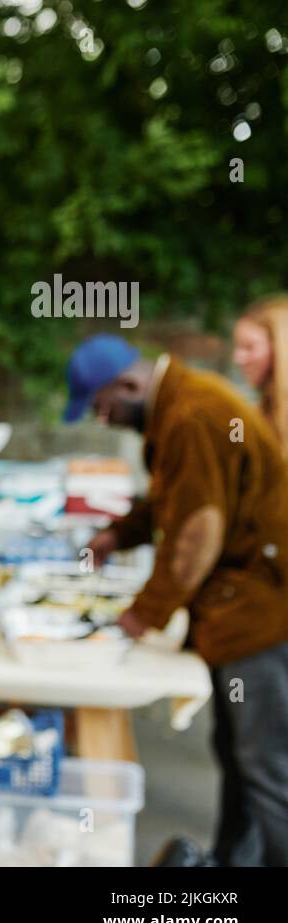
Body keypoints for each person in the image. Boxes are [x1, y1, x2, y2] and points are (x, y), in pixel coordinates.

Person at [71, 334, 288, 866]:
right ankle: (237, 861)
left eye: (103, 408)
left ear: (128, 384)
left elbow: (197, 534)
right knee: (239, 757)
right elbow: (178, 499)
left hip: (261, 610)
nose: (105, 420)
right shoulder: (180, 408)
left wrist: (141, 616)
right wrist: (119, 536)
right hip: (243, 607)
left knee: (265, 767)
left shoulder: (192, 416)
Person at [231, 294, 288, 451]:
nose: (238, 357)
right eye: (238, 346)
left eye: (249, 347)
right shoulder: (257, 415)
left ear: (281, 347)